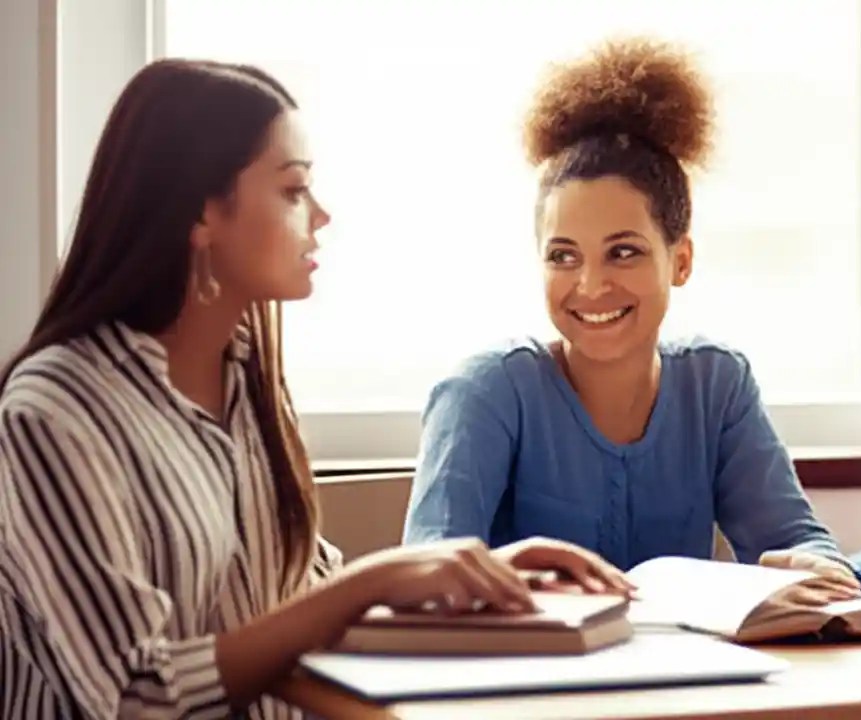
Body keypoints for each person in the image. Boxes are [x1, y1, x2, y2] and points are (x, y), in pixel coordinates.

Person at [0, 59, 629, 720]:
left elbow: (307, 600)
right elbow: (136, 696)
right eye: (294, 189)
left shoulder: (244, 380)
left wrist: (475, 577)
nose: (321, 215)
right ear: (202, 212)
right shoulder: (53, 414)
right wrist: (376, 581)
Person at [402, 38, 860, 595]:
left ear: (681, 260)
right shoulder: (487, 391)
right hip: (529, 676)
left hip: (687, 679)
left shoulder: (716, 385)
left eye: (623, 251)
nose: (590, 286)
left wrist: (819, 565)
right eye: (563, 256)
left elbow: (794, 538)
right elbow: (425, 579)